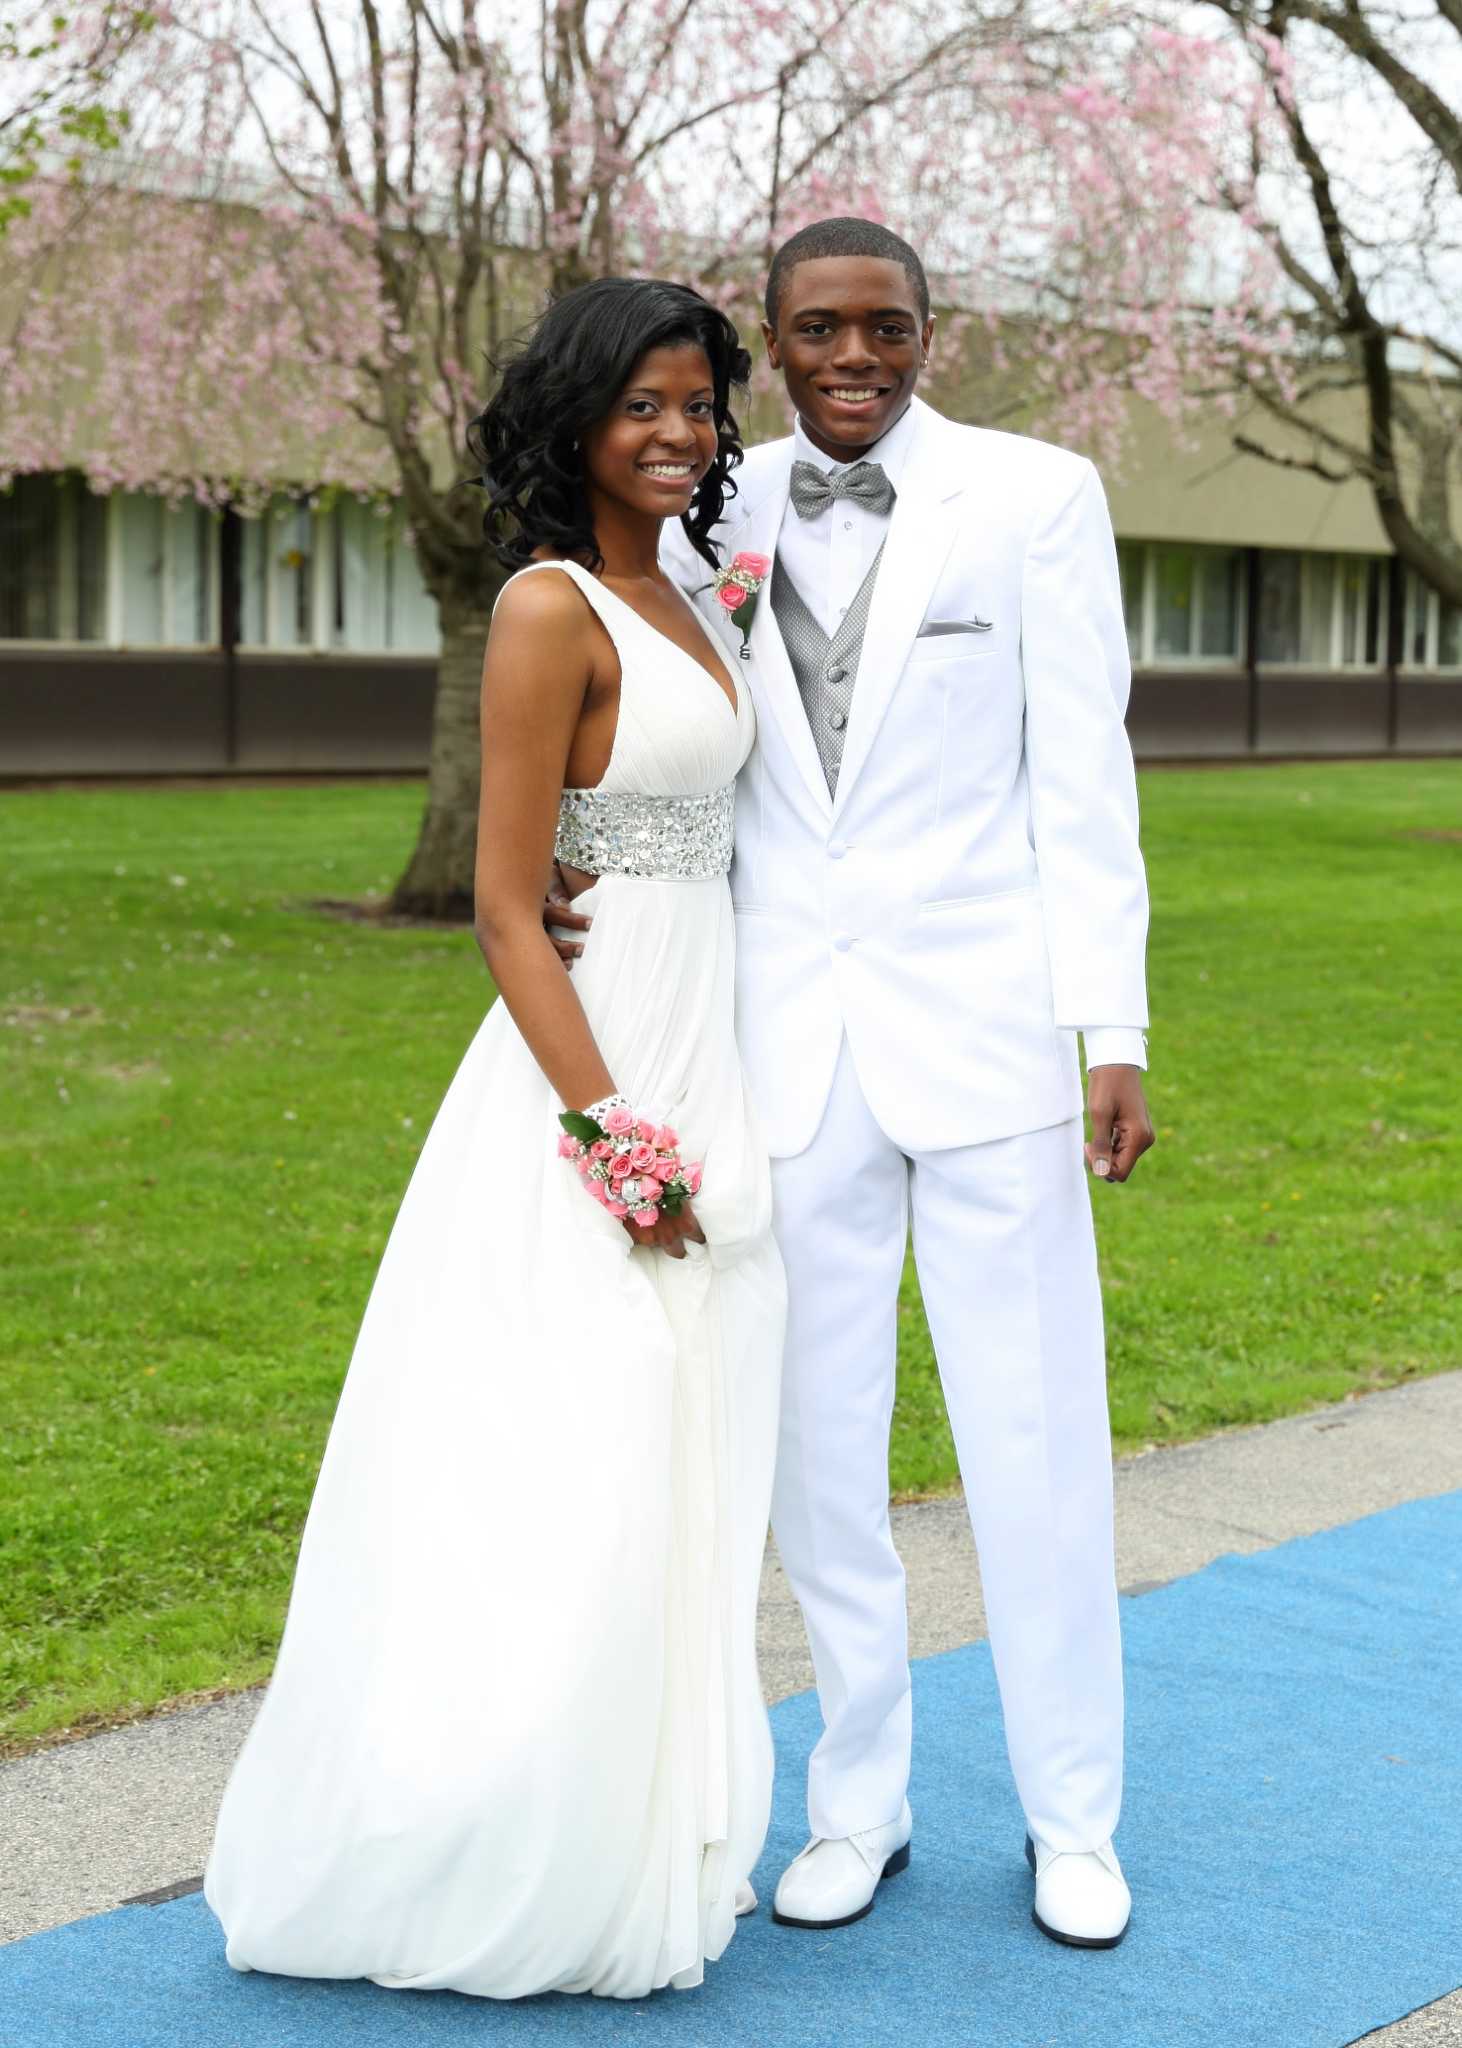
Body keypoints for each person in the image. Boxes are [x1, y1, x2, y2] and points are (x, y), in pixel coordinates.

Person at [551, 218, 1154, 1949]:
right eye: (818, 330)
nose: (852, 358)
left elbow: (1080, 784)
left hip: (984, 1049)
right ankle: (856, 1808)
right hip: (778, 1052)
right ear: (773, 336)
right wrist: (579, 861)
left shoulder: (1036, 497)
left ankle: (1070, 1822)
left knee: (1032, 1443)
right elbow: (682, 746)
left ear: (923, 330)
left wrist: (1107, 1031)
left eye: (882, 328)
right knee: (816, 1459)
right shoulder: (708, 506)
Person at [204, 278, 786, 2000]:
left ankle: (644, 1820)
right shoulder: (547, 609)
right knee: (567, 1464)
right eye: (642, 409)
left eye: (696, 406)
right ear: (573, 421)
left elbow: (662, 833)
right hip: (596, 1086)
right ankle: (501, 1839)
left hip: (708, 1026)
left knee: (679, 1465)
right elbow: (506, 907)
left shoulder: (679, 592)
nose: (677, 436)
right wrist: (615, 1137)